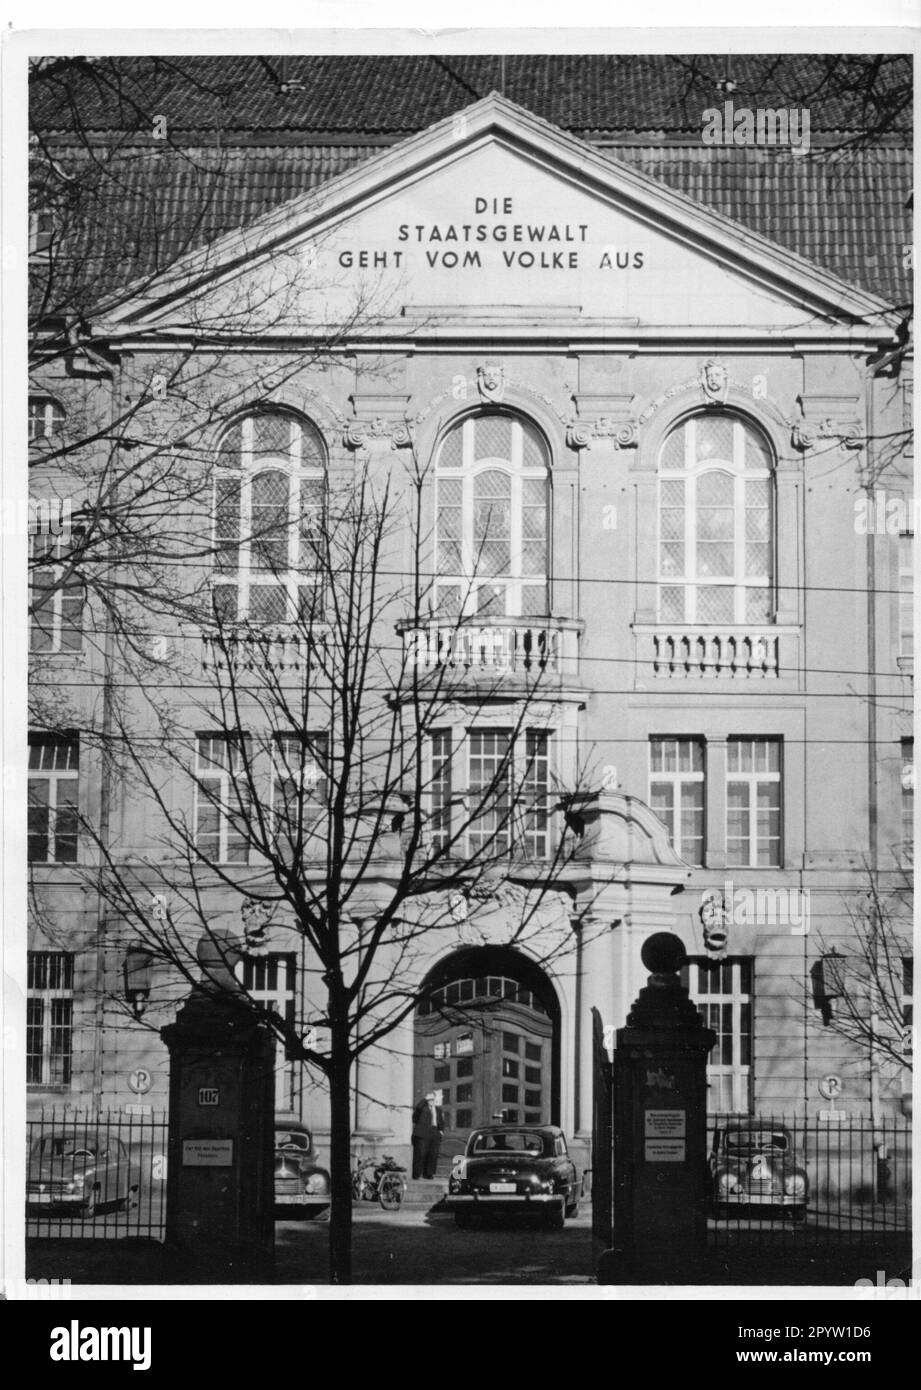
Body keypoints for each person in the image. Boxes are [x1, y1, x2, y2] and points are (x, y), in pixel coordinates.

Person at [411, 1090, 445, 1179]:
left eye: (433, 1099)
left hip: (435, 1132)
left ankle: (428, 1174)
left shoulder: (438, 1109)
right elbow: (415, 1115)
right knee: (420, 1154)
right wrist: (424, 1099)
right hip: (422, 1133)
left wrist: (441, 1131)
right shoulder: (422, 1109)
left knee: (433, 1154)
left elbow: (441, 1121)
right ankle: (416, 1174)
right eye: (430, 1100)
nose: (432, 1101)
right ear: (427, 1100)